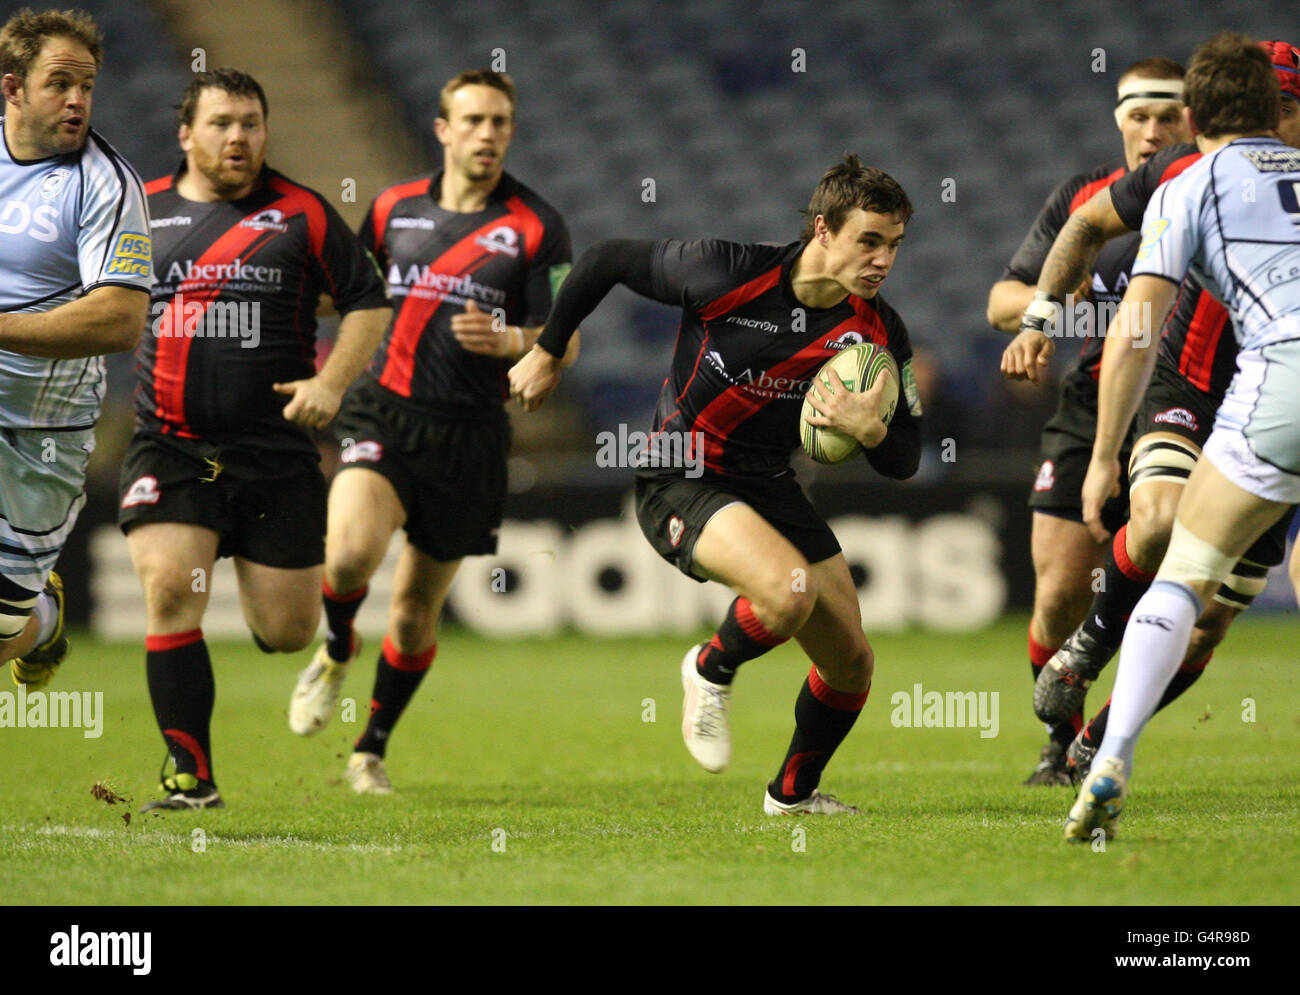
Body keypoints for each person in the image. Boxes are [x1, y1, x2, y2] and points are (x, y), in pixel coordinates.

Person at [509, 154, 922, 815]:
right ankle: (710, 667)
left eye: (894, 245)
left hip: (768, 484)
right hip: (681, 472)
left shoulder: (876, 335)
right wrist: (548, 349)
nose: (882, 260)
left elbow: (906, 459)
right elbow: (608, 258)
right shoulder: (729, 271)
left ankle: (793, 795)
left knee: (852, 662)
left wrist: (871, 430)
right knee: (789, 592)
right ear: (823, 229)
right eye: (868, 240)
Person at [1010, 40, 1300, 780]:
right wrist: (1045, 315)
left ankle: (1099, 742)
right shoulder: (1179, 175)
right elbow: (1090, 239)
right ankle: (1087, 649)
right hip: (1191, 387)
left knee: (1207, 623)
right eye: (1285, 109)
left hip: (1273, 399)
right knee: (1159, 520)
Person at [287, 70, 577, 794]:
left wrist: (511, 341)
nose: (488, 134)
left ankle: (369, 750)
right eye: (473, 120)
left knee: (416, 613)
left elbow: (563, 342)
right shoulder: (391, 208)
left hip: (470, 437)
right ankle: (335, 645)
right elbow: (349, 294)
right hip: (383, 410)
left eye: (500, 122)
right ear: (444, 129)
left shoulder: (539, 226)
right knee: (350, 552)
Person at [122, 69, 391, 812]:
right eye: (221, 123)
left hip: (275, 456)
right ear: (187, 134)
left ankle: (333, 639)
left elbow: (369, 299)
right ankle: (189, 776)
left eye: (250, 122)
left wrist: (331, 383)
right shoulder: (138, 210)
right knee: (171, 589)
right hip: (171, 443)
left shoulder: (301, 211)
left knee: (283, 630)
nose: (237, 136)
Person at [990, 58, 1191, 784]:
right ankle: (1060, 738)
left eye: (1169, 115)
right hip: (1089, 401)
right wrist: (1051, 305)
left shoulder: (1207, 190)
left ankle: (1102, 739)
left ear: (1194, 119)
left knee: (1188, 600)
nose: (1154, 130)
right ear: (1119, 121)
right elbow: (1000, 300)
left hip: (1186, 397)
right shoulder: (1086, 199)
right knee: (1058, 590)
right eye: (1139, 116)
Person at [0, 8, 150, 689]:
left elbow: (119, 320)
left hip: (41, 435)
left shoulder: (106, 184)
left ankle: (43, 617)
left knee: (1, 632)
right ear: (13, 88)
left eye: (86, 86)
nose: (77, 100)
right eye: (60, 83)